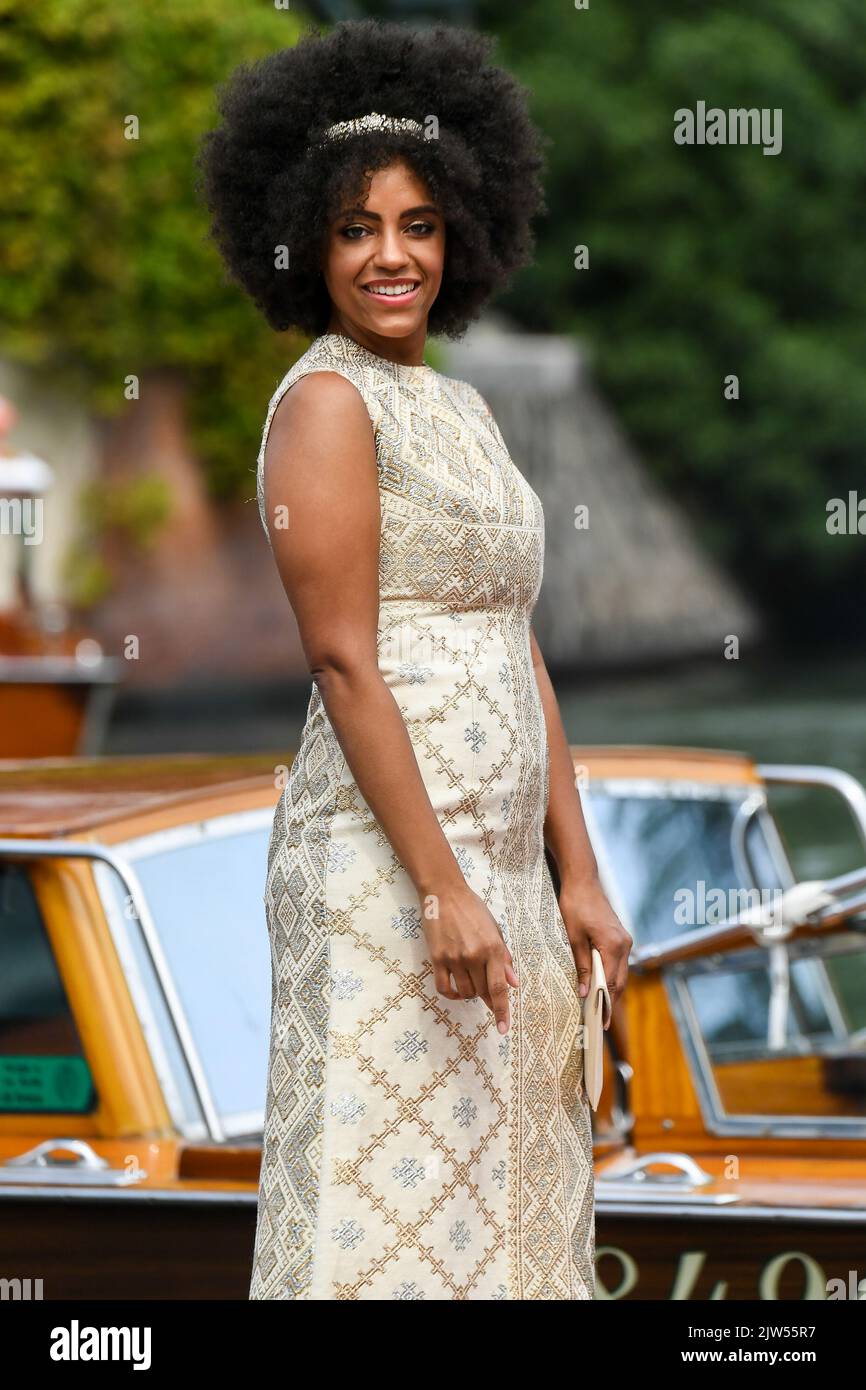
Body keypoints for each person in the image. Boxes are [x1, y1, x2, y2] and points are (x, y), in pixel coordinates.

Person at [198, 17, 631, 1302]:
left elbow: (516, 638)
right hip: (388, 876)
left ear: (462, 236)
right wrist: (441, 887)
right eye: (354, 228)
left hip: (497, 873)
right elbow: (341, 661)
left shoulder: (461, 404)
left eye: (419, 224)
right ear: (306, 244)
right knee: (383, 1231)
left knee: (497, 1219)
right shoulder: (325, 406)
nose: (391, 255)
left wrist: (578, 871)